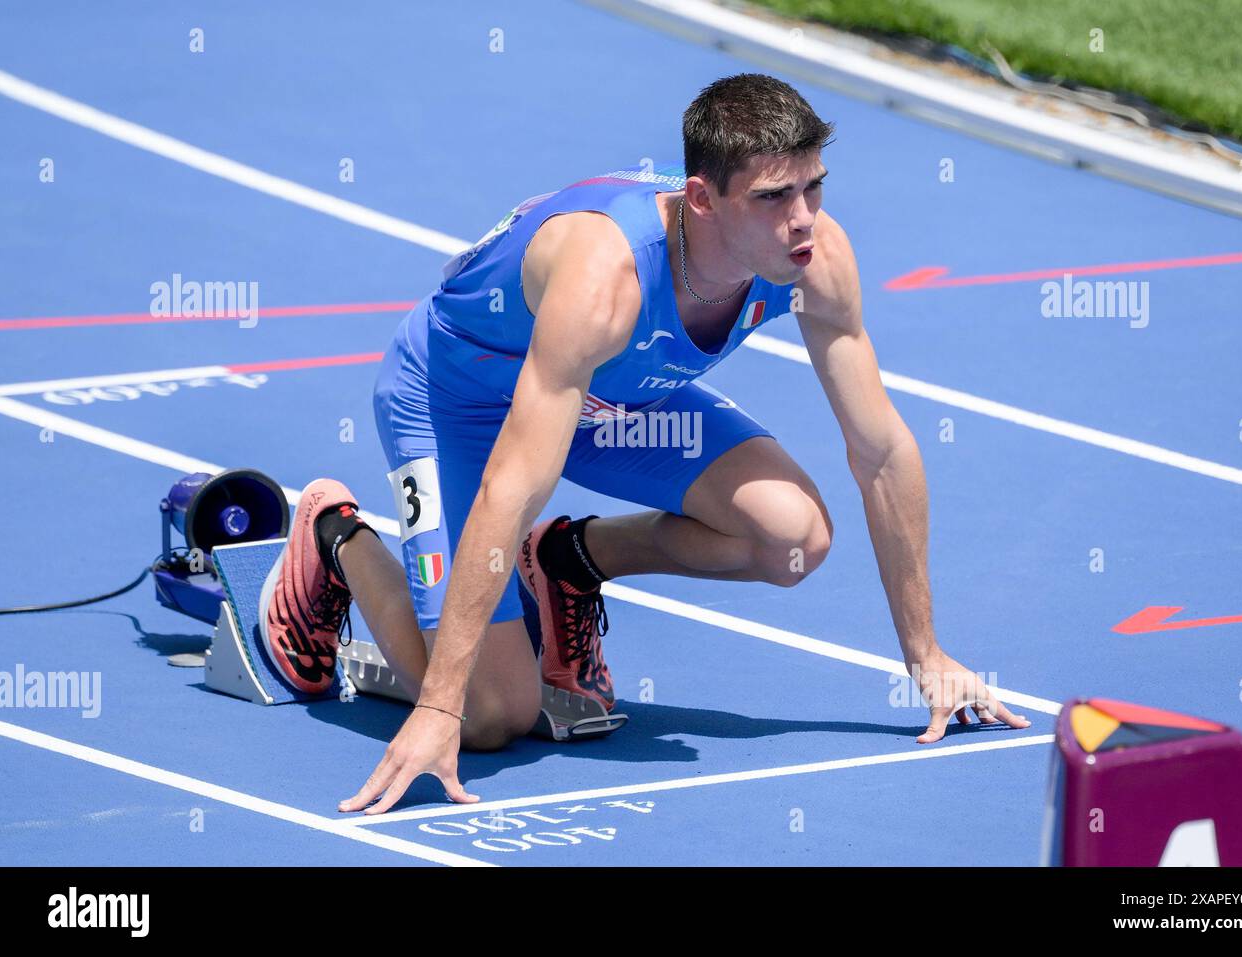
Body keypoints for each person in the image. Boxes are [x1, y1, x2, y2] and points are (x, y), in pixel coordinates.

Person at [256, 73, 1030, 814]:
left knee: (794, 537)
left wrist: (927, 655)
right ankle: (337, 539)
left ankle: (566, 560)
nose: (803, 218)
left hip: (614, 398)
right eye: (773, 198)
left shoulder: (813, 258)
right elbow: (511, 484)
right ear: (702, 199)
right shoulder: (605, 279)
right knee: (491, 715)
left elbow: (882, 451)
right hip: (458, 400)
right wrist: (436, 706)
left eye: (813, 187)